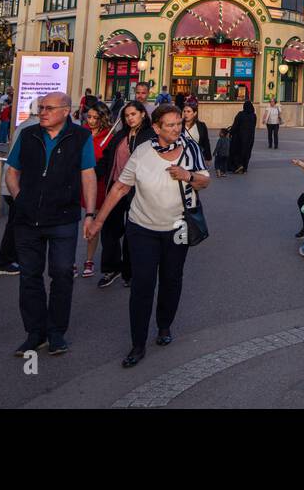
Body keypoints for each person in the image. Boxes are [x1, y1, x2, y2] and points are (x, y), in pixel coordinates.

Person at [86, 103, 211, 368]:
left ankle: (164, 326)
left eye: (179, 123)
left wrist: (187, 175)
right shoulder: (142, 152)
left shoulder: (191, 149)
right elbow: (120, 188)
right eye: (170, 125)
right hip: (142, 228)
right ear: (156, 127)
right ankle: (138, 343)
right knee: (142, 286)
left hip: (177, 227)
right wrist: (98, 221)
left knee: (171, 279)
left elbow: (204, 181)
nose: (177, 129)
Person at [4, 91, 98, 355]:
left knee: (61, 273)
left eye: (48, 108)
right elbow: (12, 172)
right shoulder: (28, 135)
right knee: (30, 276)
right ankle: (35, 332)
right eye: (40, 107)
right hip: (27, 219)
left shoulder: (80, 137)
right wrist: (21, 198)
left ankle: (56, 332)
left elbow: (88, 175)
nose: (42, 112)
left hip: (63, 218)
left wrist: (90, 214)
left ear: (66, 111)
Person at [97, 101, 154, 289]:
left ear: (143, 114)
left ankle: (129, 271)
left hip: (136, 191)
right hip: (115, 186)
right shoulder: (120, 135)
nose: (130, 118)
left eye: (133, 114)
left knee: (132, 231)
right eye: (127, 115)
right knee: (110, 229)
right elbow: (107, 158)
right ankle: (111, 267)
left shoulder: (149, 136)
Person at [80, 105, 123, 279]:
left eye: (95, 118)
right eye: (88, 117)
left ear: (102, 118)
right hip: (78, 181)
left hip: (98, 184)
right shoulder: (81, 133)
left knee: (93, 221)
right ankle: (70, 261)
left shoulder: (109, 136)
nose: (90, 121)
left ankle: (89, 259)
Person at [227, 100, 257, 174]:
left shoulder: (240, 114)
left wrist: (230, 133)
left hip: (239, 137)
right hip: (250, 138)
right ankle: (245, 168)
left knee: (236, 151)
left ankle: (238, 165)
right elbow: (254, 126)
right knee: (247, 152)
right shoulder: (253, 116)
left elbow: (235, 125)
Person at [181, 99, 212, 163]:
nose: (185, 114)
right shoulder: (179, 125)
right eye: (184, 111)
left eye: (188, 111)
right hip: (182, 158)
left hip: (196, 158)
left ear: (195, 113)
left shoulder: (201, 126)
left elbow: (206, 142)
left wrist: (208, 158)